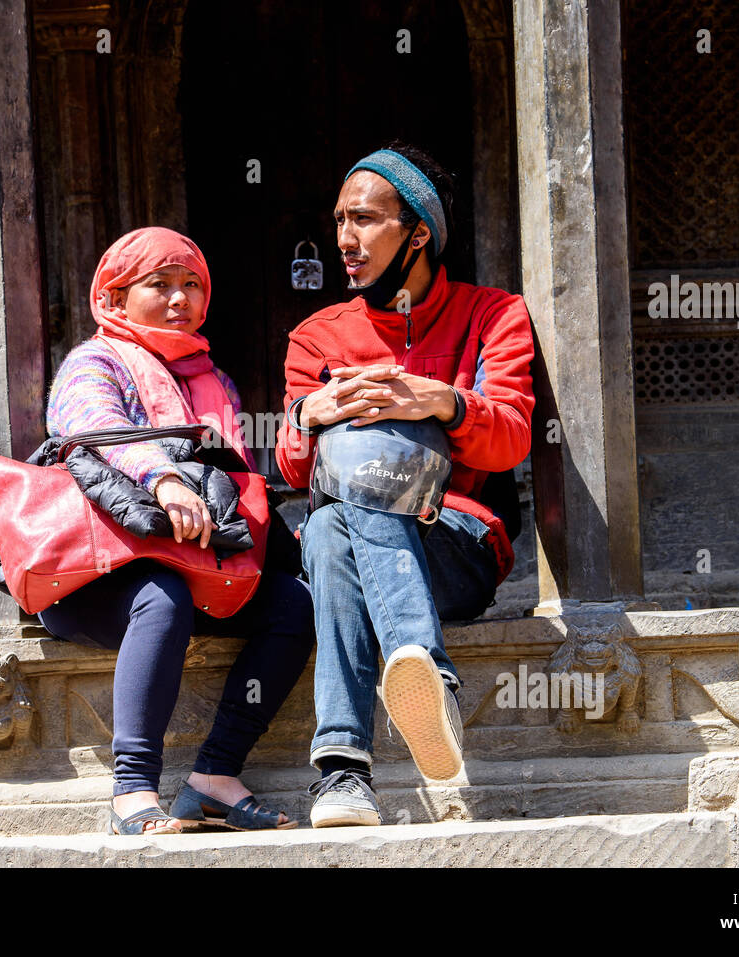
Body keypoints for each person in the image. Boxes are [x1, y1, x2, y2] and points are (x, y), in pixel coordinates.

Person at [275, 143, 535, 827]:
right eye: (338, 221)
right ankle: (428, 685)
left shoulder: (493, 315)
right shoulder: (315, 335)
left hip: (456, 542)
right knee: (331, 521)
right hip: (352, 548)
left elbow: (510, 435)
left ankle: (341, 773)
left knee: (352, 507)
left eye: (363, 220)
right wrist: (311, 414)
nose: (344, 239)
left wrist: (442, 402)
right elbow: (295, 470)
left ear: (418, 231)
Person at [40, 226, 314, 835]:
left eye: (191, 284)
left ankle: (214, 778)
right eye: (158, 285)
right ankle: (132, 791)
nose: (179, 299)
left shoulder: (213, 380)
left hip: (196, 562)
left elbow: (229, 476)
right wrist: (164, 479)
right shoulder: (93, 362)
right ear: (112, 299)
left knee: (293, 605)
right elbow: (97, 429)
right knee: (160, 600)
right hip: (96, 575)